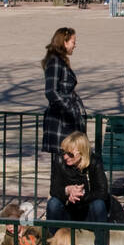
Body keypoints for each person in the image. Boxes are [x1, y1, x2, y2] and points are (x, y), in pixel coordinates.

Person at [47, 131, 111, 245]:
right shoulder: (59, 161)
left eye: (70, 154)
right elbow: (54, 189)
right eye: (64, 152)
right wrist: (68, 190)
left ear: (81, 153)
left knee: (99, 204)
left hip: (87, 210)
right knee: (53, 203)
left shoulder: (94, 162)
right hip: (68, 209)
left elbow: (102, 191)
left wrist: (81, 196)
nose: (65, 157)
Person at [41, 27, 87, 156]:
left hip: (65, 121)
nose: (75, 45)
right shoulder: (55, 62)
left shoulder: (59, 61)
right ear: (64, 42)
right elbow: (51, 92)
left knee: (70, 165)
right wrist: (70, 109)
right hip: (61, 122)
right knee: (63, 166)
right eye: (73, 42)